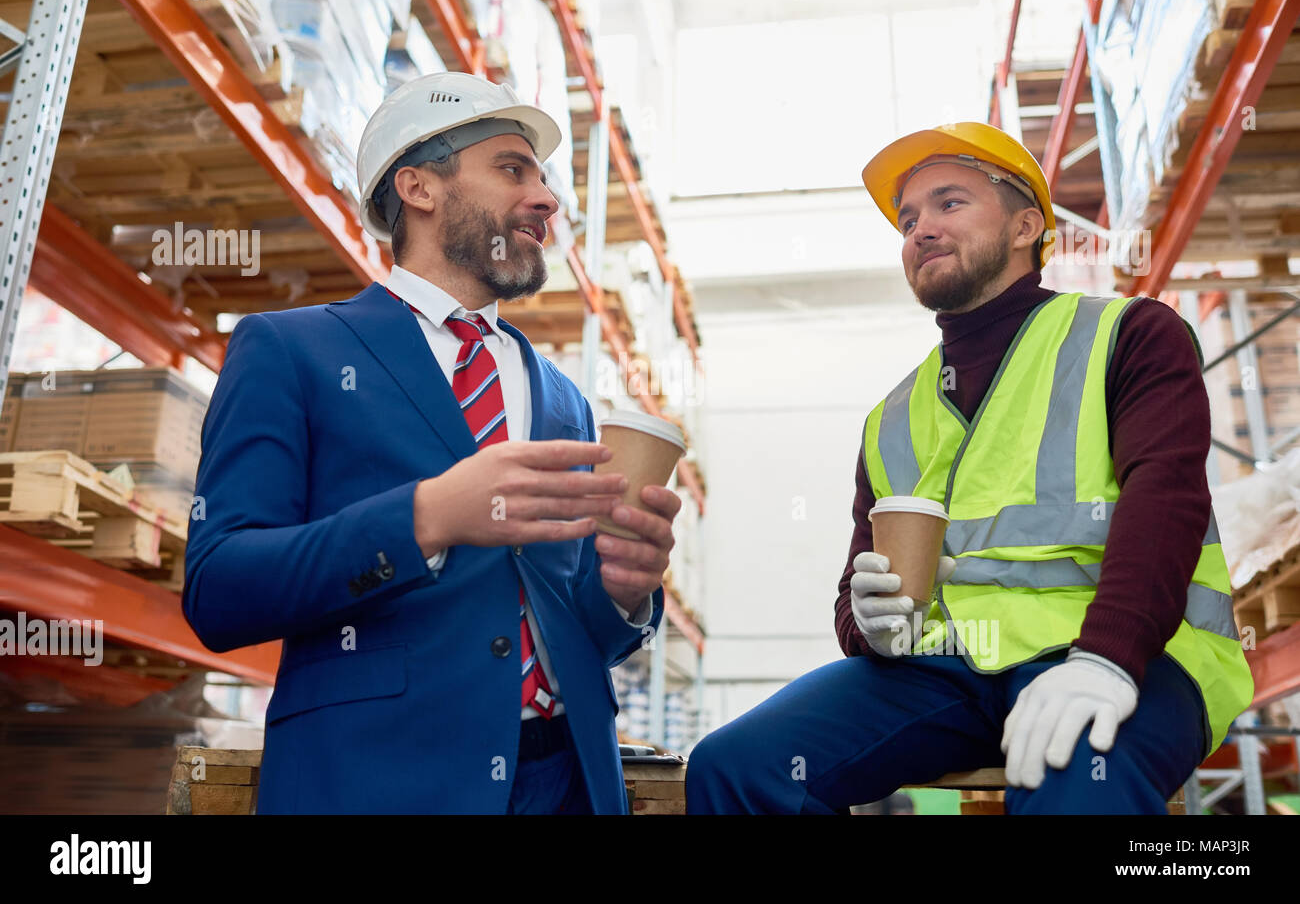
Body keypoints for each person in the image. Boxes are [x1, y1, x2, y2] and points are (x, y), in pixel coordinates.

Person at [685, 121, 1253, 814]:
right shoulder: (892, 416)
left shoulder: (1128, 335)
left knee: (1075, 787)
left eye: (949, 203)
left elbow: (1164, 499)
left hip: (1125, 648)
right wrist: (872, 624)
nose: (920, 228)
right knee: (735, 768)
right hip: (947, 671)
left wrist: (1107, 658)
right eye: (908, 219)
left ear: (1024, 227)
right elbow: (858, 590)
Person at [184, 72, 682, 813]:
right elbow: (221, 590)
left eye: (544, 179)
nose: (546, 199)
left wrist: (624, 594)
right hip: (379, 781)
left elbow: (573, 630)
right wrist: (427, 516)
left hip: (565, 782)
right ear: (418, 187)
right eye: (513, 169)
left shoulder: (565, 400)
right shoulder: (292, 351)